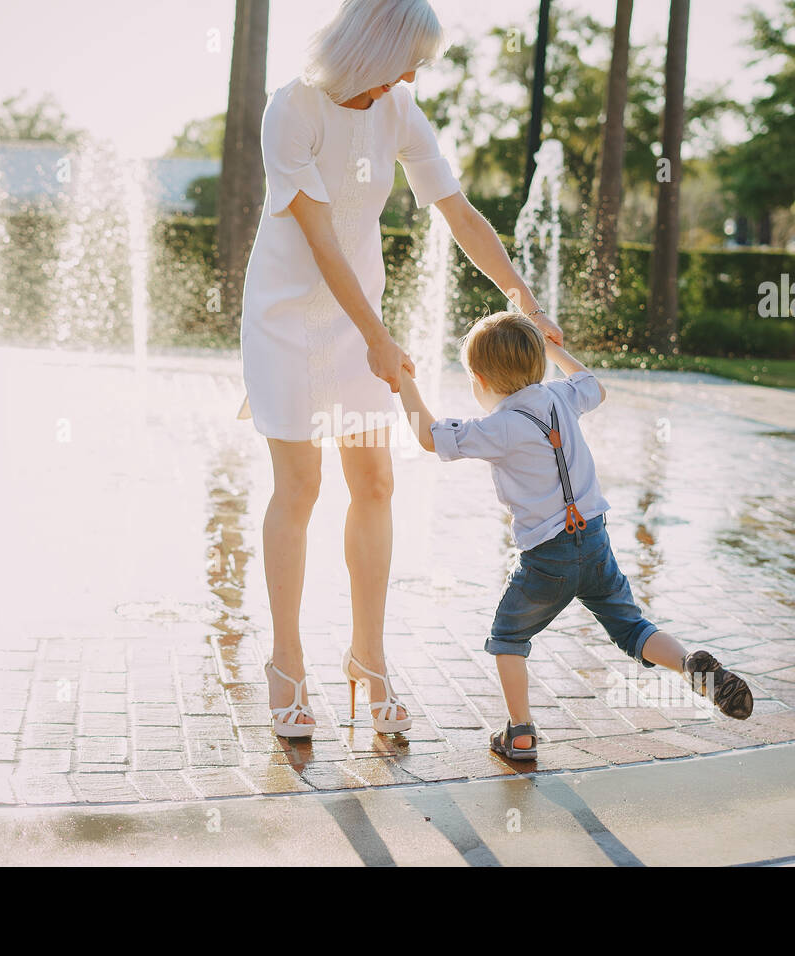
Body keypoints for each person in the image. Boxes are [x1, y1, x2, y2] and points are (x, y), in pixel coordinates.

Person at [239, 0, 563, 738]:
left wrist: (521, 295)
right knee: (301, 484)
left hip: (362, 324)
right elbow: (319, 239)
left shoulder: (399, 108)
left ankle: (368, 658)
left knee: (376, 482)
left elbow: (459, 211)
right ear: (371, 47)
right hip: (288, 322)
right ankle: (286, 661)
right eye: (408, 57)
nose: (414, 74)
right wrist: (379, 339)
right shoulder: (292, 108)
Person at [397, 312, 754, 760]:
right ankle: (687, 664)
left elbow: (431, 438)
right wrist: (552, 347)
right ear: (538, 364)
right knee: (631, 627)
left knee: (508, 638)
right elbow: (594, 385)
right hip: (596, 539)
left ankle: (520, 732)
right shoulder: (559, 397)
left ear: (480, 379)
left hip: (548, 557)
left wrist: (404, 381)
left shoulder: (497, 428)